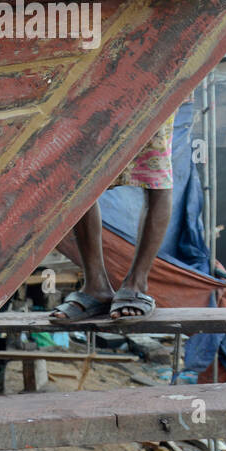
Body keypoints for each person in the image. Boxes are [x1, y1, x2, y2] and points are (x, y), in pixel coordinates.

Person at [50, 113, 174, 323]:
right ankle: (95, 285)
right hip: (91, 85)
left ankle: (137, 283)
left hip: (155, 83)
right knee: (80, 173)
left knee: (157, 170)